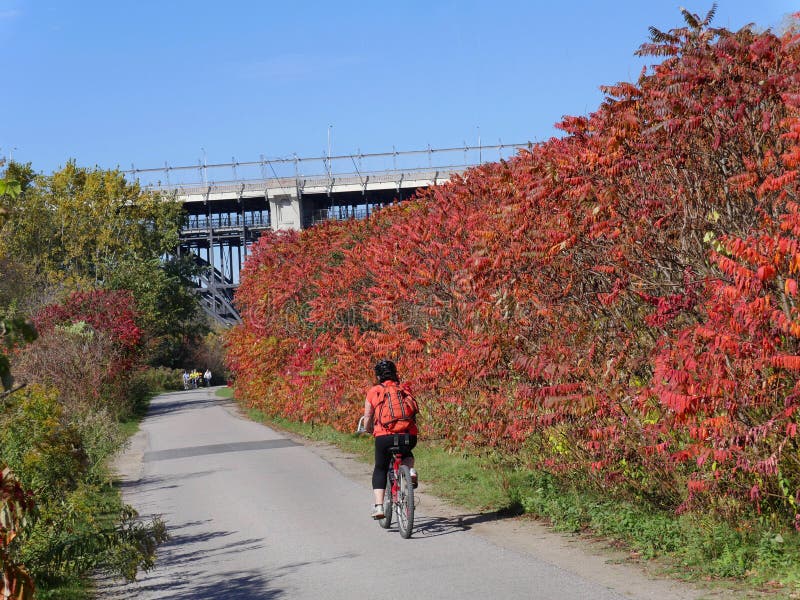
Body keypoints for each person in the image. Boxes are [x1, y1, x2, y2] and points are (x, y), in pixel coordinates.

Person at [362, 359, 418, 519]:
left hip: (384, 437)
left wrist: (368, 429)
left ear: (378, 376)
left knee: (380, 467)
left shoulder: (374, 391)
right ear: (395, 373)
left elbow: (367, 418)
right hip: (408, 436)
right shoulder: (404, 389)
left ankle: (379, 507)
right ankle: (410, 470)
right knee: (408, 454)